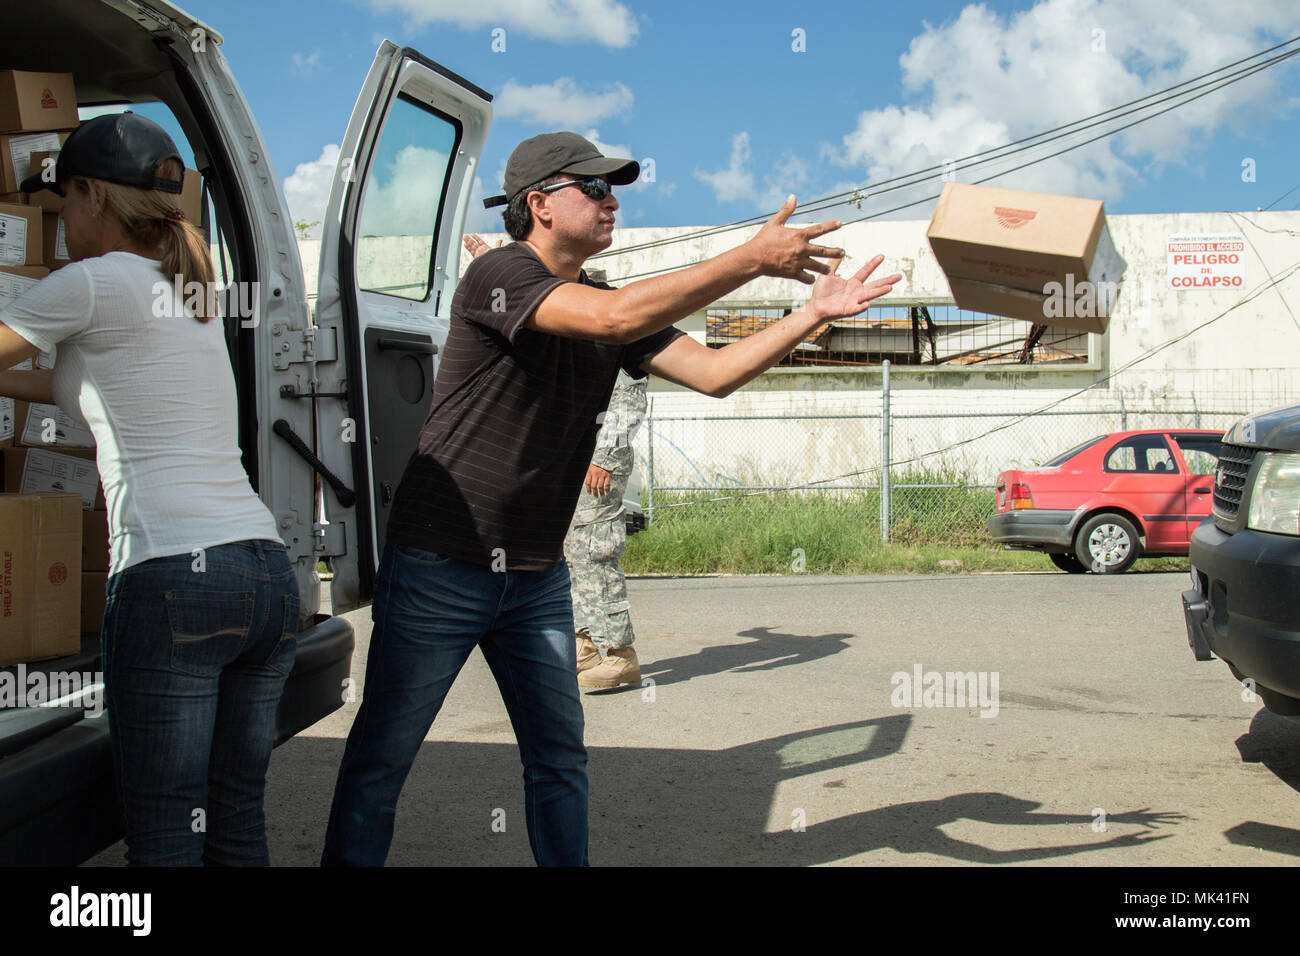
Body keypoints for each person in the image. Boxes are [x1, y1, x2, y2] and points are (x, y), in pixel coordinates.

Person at [321, 131, 900, 867]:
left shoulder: (603, 302)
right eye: (592, 188)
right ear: (539, 204)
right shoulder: (499, 275)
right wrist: (751, 258)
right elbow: (615, 320)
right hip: (441, 563)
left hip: (533, 576)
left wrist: (813, 313)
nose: (612, 200)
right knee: (381, 761)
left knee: (560, 761)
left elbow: (715, 373)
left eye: (613, 187)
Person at [0, 113, 296, 866]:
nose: (62, 218)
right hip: (263, 573)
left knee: (165, 829)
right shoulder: (181, 292)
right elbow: (78, 381)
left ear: (93, 194)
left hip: (173, 578)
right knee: (234, 821)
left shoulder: (92, 283)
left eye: (64, 198)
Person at [566, 369, 647, 691]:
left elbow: (630, 403)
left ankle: (620, 653)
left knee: (594, 552)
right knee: (572, 555)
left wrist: (605, 459)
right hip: (576, 460)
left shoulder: (623, 341)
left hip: (599, 466)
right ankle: (585, 646)